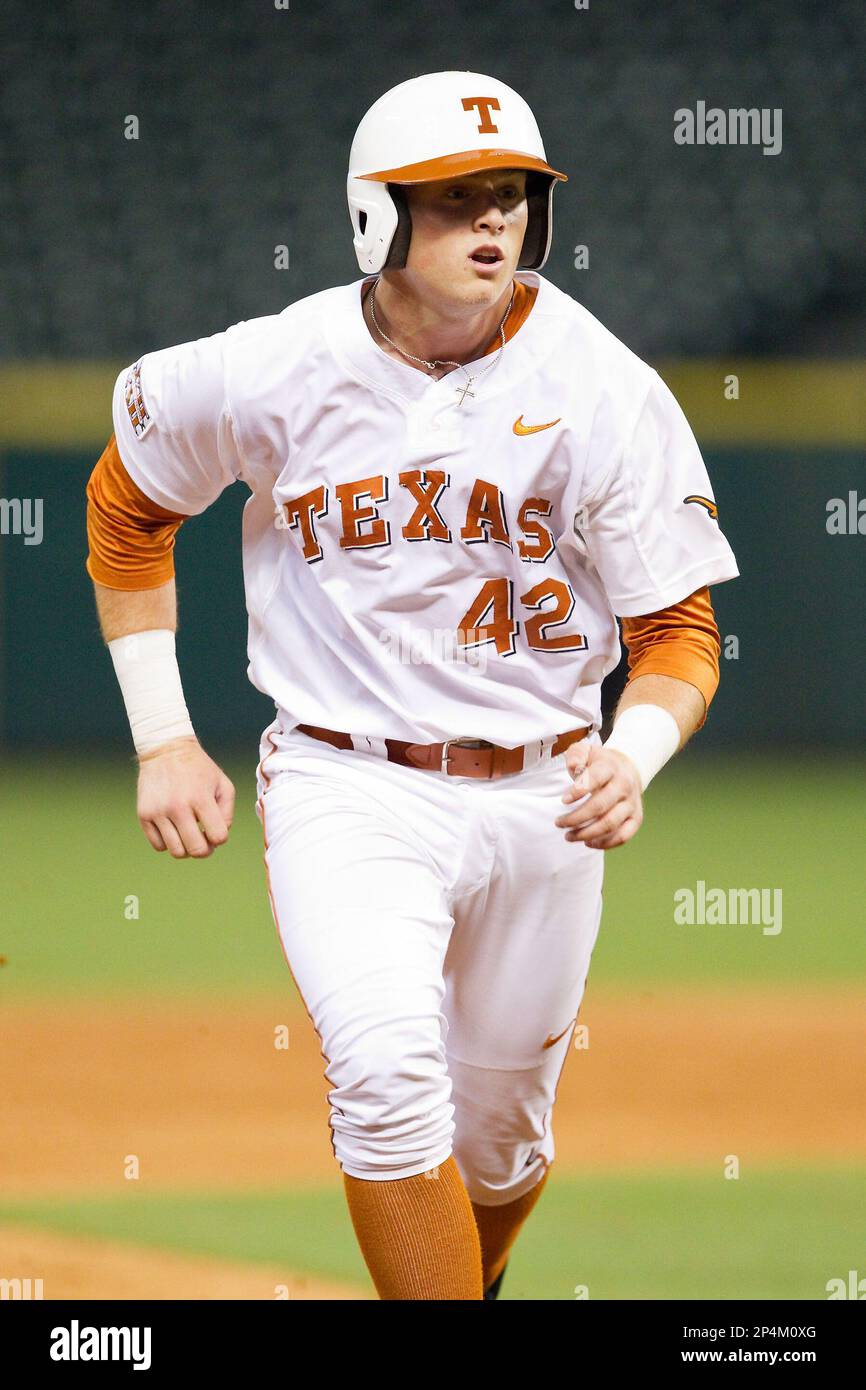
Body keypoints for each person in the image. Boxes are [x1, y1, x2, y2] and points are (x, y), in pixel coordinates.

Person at [86, 70, 739, 1300]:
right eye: (453, 200)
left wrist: (631, 755)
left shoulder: (602, 387)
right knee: (385, 1076)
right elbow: (126, 506)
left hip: (546, 795)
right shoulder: (272, 366)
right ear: (376, 218)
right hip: (347, 780)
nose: (491, 223)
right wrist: (162, 736)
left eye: (509, 197)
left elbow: (678, 631)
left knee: (501, 1142)